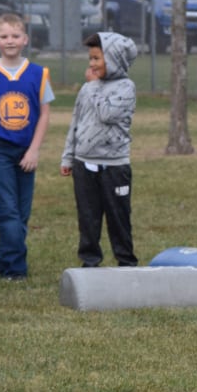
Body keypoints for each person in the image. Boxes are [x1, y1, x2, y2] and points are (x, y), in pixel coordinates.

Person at [0, 13, 54, 280]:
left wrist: (34, 150)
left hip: (25, 151)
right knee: (7, 210)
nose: (10, 41)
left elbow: (44, 114)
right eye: (4, 36)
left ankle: (4, 262)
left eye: (15, 36)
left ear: (25, 39)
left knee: (22, 212)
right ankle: (16, 269)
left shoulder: (38, 74)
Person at [60, 31, 138, 267]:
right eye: (90, 59)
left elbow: (107, 114)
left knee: (118, 216)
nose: (92, 64)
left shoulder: (126, 88)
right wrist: (68, 156)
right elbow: (77, 121)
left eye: (97, 59)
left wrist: (93, 87)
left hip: (114, 166)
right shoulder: (87, 88)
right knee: (88, 217)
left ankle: (125, 262)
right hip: (84, 163)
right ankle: (90, 260)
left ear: (114, 59)